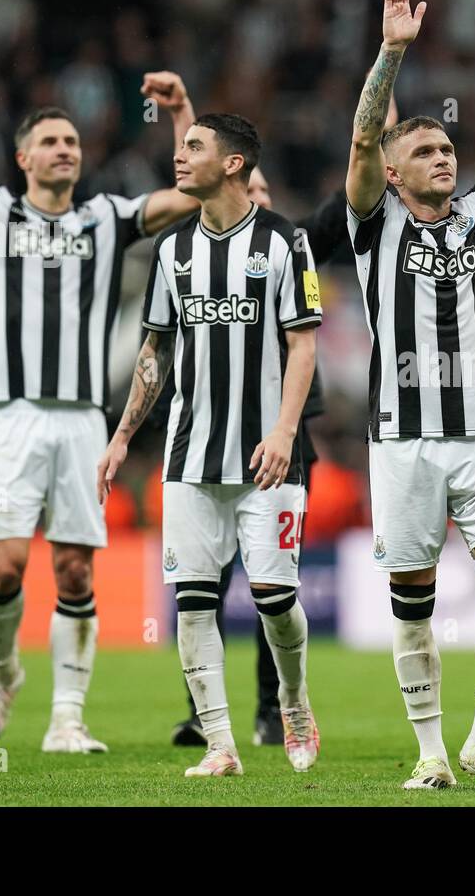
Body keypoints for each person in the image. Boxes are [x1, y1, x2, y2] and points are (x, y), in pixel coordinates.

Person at [0, 48, 198, 752]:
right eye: (50, 141)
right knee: (5, 568)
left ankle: (68, 719)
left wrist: (183, 111)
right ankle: (3, 673)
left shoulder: (107, 218)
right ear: (22, 158)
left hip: (80, 423)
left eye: (71, 140)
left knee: (73, 568)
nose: (65, 149)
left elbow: (195, 192)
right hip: (9, 417)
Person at [344, 0, 475, 790]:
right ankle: (429, 752)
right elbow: (361, 141)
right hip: (404, 441)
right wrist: (390, 54)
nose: (441, 157)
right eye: (423, 150)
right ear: (393, 172)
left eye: (445, 149)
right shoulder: (372, 220)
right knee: (413, 600)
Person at [169, 93, 398, 749]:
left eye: (265, 188)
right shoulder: (193, 247)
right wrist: (185, 111)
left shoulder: (292, 243)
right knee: (201, 584)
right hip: (205, 441)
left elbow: (361, 188)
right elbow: (195, 164)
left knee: (272, 587)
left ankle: (276, 709)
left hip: (282, 438)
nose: (258, 197)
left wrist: (386, 111)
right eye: (252, 189)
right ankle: (203, 715)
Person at [99, 113, 322, 776]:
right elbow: (156, 350)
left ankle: (295, 699)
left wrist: (283, 430)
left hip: (265, 460)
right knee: (193, 601)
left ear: (233, 164)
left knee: (276, 603)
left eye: (194, 146)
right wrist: (121, 437)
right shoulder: (173, 250)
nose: (180, 156)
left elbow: (302, 341)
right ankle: (221, 744)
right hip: (189, 457)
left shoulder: (285, 242)